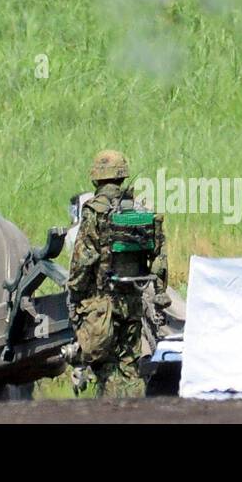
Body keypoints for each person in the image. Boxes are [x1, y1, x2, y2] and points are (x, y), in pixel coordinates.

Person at [67, 149, 167, 394]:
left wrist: (75, 296)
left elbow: (83, 261)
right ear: (123, 176)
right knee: (130, 365)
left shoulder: (94, 211)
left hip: (102, 307)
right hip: (132, 301)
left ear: (96, 178)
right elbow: (159, 258)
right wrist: (159, 290)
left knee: (106, 369)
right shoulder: (140, 212)